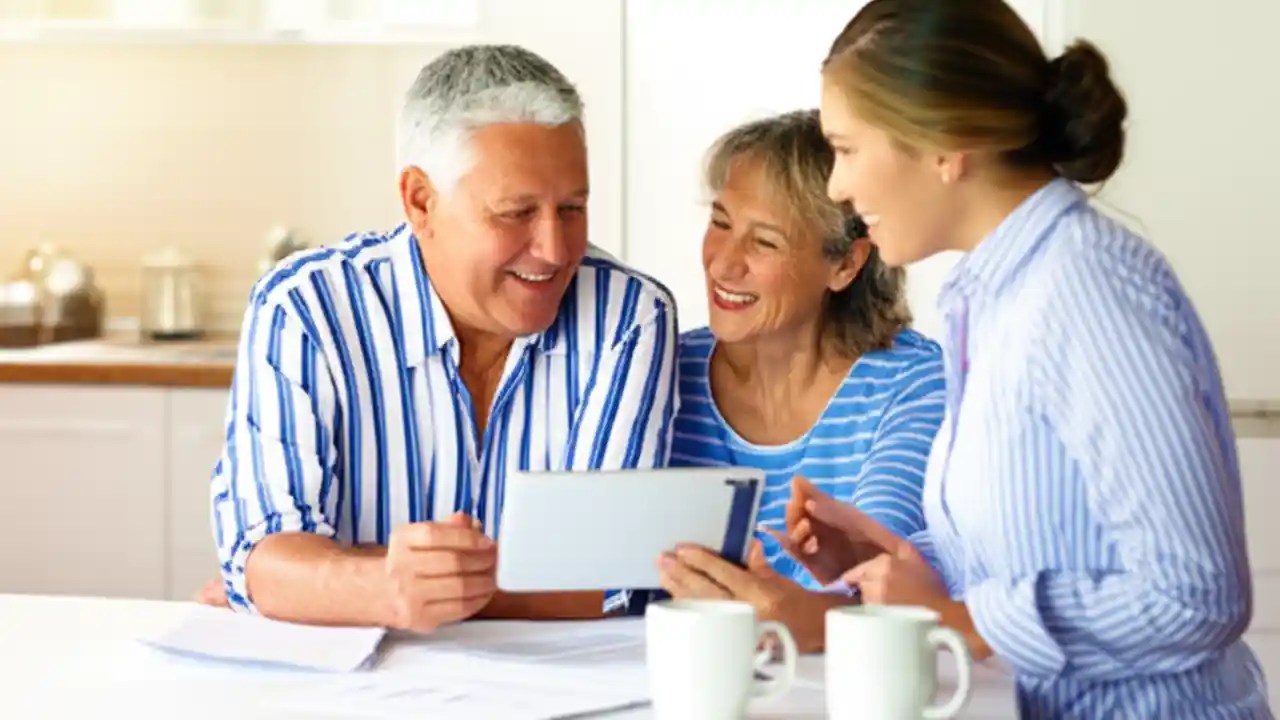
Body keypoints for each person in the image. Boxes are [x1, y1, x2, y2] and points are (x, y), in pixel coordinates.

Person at [775, 0, 1273, 716]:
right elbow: (1042, 549)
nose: (836, 187)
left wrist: (964, 621)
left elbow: (1196, 596)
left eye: (847, 149)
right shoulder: (992, 295)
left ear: (945, 143)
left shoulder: (1088, 291)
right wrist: (897, 567)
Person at [203, 44, 678, 632]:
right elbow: (266, 560)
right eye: (516, 213)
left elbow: (604, 579)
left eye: (572, 209)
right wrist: (365, 584)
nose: (555, 250)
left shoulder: (629, 318)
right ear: (420, 201)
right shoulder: (304, 308)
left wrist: (348, 581)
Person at [654, 109, 946, 652]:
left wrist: (803, 615)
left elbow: (882, 574)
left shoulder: (909, 382)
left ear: (845, 265)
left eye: (764, 242)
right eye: (720, 222)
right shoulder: (660, 371)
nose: (723, 264)